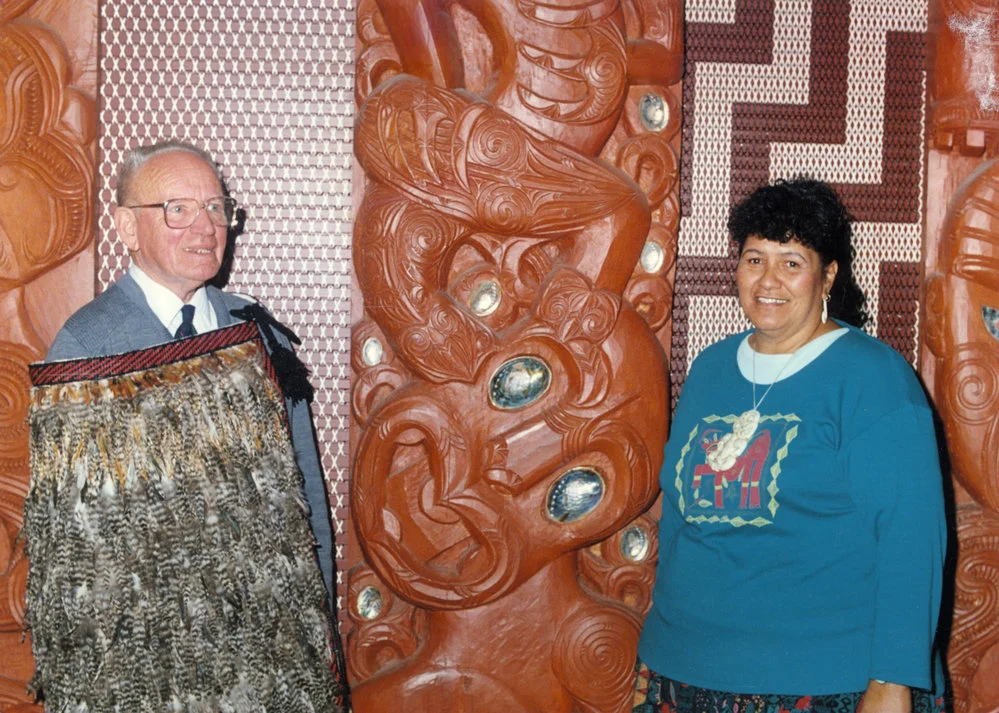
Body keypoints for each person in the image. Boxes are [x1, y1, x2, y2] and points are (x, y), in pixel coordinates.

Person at [634, 178, 947, 713]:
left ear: (828, 275)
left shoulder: (873, 378)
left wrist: (893, 681)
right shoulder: (711, 369)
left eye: (792, 262)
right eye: (754, 259)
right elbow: (681, 518)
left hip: (823, 681)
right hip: (683, 668)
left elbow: (911, 539)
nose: (768, 280)